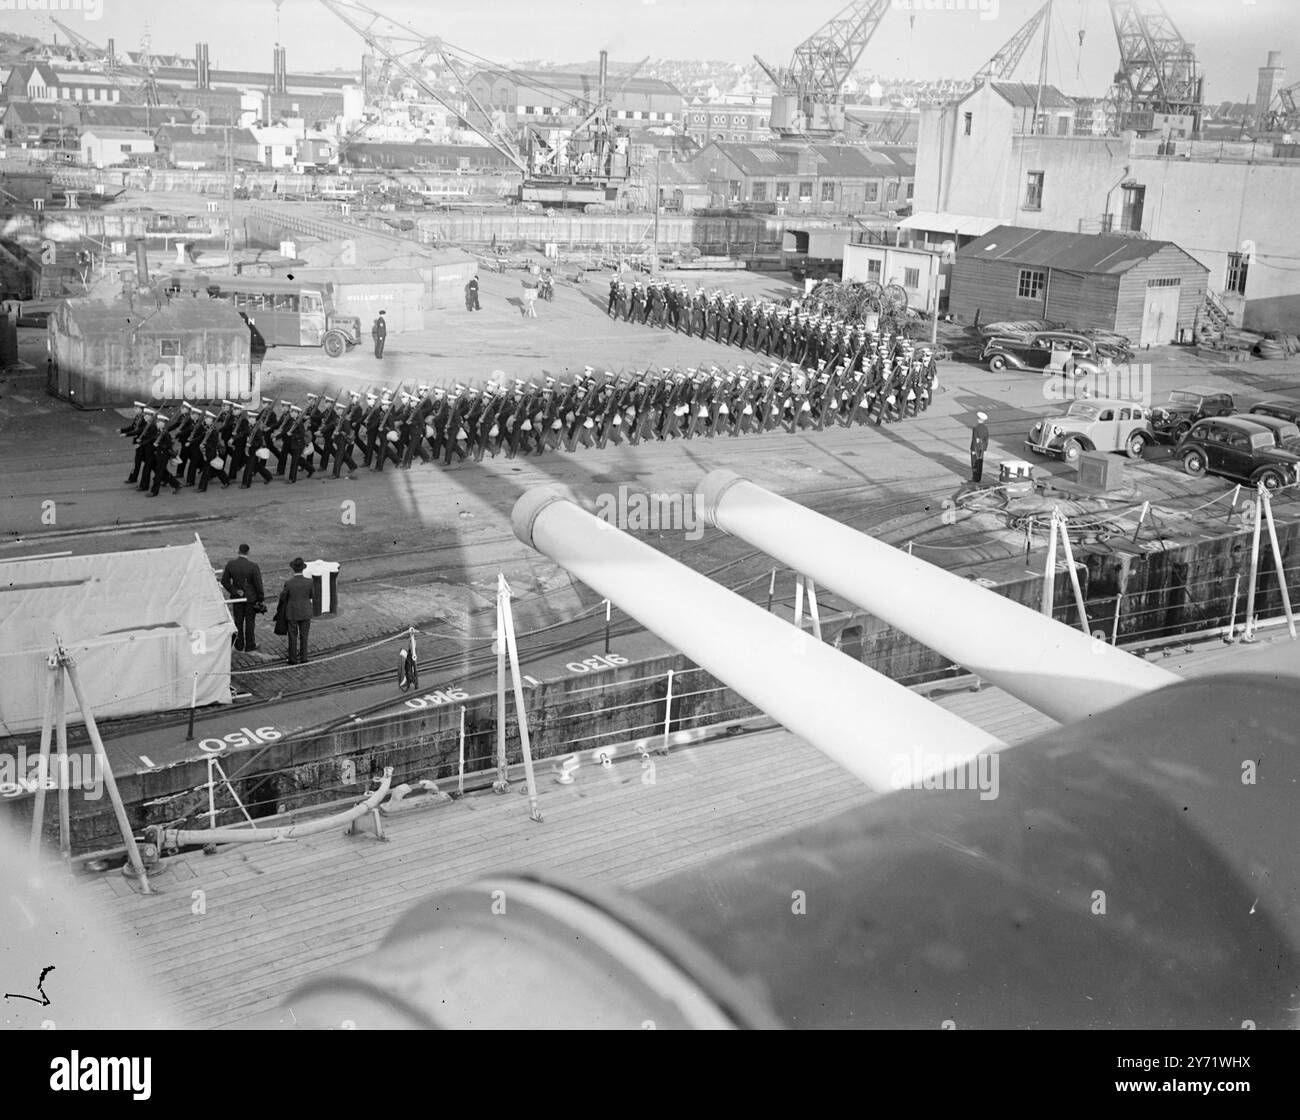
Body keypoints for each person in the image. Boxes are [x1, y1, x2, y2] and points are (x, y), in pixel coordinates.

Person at [221, 543, 265, 653]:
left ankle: (239, 644)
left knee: (238, 621)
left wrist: (234, 591)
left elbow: (224, 581)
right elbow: (258, 585)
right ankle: (250, 645)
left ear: (238, 551)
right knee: (250, 622)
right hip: (251, 599)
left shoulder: (231, 564)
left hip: (237, 598)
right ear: (248, 552)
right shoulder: (253, 566)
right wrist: (260, 599)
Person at [277, 557, 315, 665]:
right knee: (304, 636)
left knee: (292, 637)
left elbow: (283, 597)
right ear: (303, 569)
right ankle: (304, 657)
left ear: (293, 569)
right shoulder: (309, 582)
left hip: (292, 612)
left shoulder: (289, 583)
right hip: (305, 611)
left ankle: (292, 659)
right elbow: (313, 595)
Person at [971, 410, 990, 484]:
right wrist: (985, 448)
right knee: (980, 462)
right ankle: (979, 478)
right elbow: (987, 438)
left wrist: (973, 449)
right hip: (982, 447)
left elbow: (974, 439)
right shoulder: (985, 428)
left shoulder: (976, 428)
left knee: (974, 462)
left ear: (978, 419)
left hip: (976, 447)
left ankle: (975, 478)